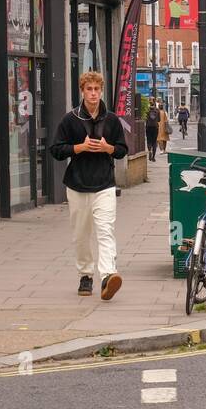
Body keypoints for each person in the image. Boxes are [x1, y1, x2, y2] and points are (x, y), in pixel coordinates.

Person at [50, 70, 129, 301]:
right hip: (77, 185)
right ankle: (86, 275)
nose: (93, 94)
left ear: (101, 90)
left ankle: (108, 276)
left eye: (97, 89)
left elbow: (123, 150)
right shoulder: (70, 119)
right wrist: (79, 148)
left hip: (104, 184)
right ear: (82, 91)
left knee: (105, 231)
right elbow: (56, 150)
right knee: (81, 235)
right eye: (89, 89)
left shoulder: (112, 120)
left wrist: (109, 149)